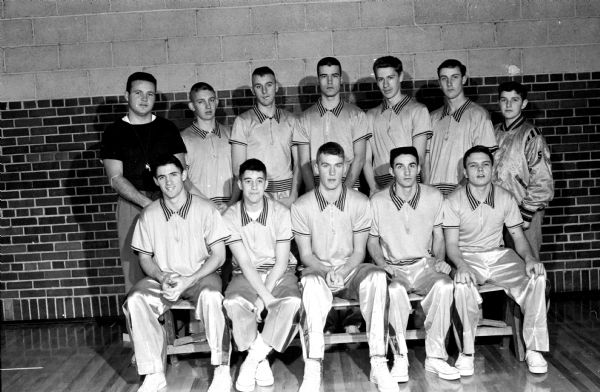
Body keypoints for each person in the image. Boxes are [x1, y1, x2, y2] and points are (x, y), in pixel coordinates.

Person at [291, 142, 398, 392]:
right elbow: (305, 254)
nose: (331, 172)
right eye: (326, 166)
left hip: (351, 270)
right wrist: (327, 272)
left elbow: (360, 252)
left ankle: (379, 362)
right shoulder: (301, 206)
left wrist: (340, 272)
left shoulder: (360, 202)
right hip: (317, 269)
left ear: (345, 168)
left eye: (337, 166)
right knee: (309, 283)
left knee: (377, 277)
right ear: (316, 167)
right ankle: (313, 365)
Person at [123, 154, 232, 392]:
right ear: (156, 181)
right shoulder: (149, 214)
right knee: (136, 299)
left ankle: (222, 369)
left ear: (183, 175)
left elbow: (219, 256)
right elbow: (144, 258)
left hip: (200, 276)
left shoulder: (206, 209)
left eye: (173, 175)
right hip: (165, 280)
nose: (169, 182)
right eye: (162, 177)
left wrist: (189, 280)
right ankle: (153, 372)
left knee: (213, 298)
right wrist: (162, 277)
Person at [444, 146, 549, 376]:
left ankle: (534, 349)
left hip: (499, 255)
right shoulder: (453, 200)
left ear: (493, 168)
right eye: (473, 165)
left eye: (485, 165)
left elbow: (518, 238)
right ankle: (466, 353)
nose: (480, 170)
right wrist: (460, 266)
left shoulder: (505, 197)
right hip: (467, 256)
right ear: (465, 171)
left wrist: (530, 259)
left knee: (537, 278)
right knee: (461, 285)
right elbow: (451, 246)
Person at [368, 146, 460, 382]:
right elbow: (372, 241)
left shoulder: (433, 196)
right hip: (394, 266)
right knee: (394, 290)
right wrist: (381, 263)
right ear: (391, 170)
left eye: (412, 166)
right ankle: (399, 357)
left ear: (419, 168)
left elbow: (439, 236)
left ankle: (436, 357)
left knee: (445, 285)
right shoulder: (377, 201)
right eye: (400, 166)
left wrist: (439, 261)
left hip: (424, 264)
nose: (407, 172)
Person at [101, 71, 186, 291]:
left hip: (167, 200)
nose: (144, 98)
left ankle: (174, 322)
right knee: (134, 265)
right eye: (138, 93)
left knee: (175, 260)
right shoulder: (114, 131)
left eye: (150, 94)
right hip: (132, 204)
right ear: (126, 95)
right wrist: (147, 204)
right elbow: (115, 178)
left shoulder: (167, 128)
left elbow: (180, 169)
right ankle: (138, 323)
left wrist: (166, 203)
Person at [222, 158, 301, 392]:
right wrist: (263, 295)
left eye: (259, 181)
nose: (254, 187)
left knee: (292, 303)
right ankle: (263, 360)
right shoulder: (230, 216)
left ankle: (253, 359)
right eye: (248, 181)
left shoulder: (281, 213)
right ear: (240, 184)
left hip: (279, 273)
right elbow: (245, 262)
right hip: (245, 275)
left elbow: (282, 261)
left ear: (266, 184)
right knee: (233, 302)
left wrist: (263, 297)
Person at [492, 81, 554, 258]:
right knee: (506, 265)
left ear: (524, 104)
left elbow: (543, 181)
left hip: (524, 210)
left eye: (514, 100)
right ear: (499, 102)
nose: (509, 105)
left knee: (528, 262)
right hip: (500, 211)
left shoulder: (531, 135)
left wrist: (526, 213)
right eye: (504, 100)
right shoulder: (494, 133)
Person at [295, 57, 370, 191]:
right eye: (324, 76)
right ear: (318, 80)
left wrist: (345, 190)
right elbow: (304, 162)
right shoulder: (304, 118)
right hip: (316, 187)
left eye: (334, 76)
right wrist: (314, 192)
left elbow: (360, 158)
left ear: (341, 79)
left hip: (350, 187)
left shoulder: (357, 114)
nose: (329, 81)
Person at [230, 67, 300, 207]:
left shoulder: (291, 120)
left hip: (286, 194)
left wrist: (294, 194)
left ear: (276, 87)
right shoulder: (243, 121)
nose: (264, 91)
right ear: (252, 90)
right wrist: (260, 194)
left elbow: (299, 162)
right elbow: (238, 167)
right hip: (256, 193)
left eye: (269, 85)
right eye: (258, 86)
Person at [426, 59, 497, 196]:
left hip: (464, 194)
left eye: (455, 77)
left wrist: (460, 191)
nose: (449, 83)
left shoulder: (479, 115)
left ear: (464, 79)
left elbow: (484, 161)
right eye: (444, 78)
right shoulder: (432, 117)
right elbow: (426, 159)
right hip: (435, 196)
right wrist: (429, 191)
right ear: (439, 82)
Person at [364, 56, 431, 193]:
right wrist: (374, 189)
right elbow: (366, 160)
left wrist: (393, 186)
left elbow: (419, 157)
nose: (386, 84)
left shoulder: (418, 111)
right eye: (381, 79)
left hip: (409, 185)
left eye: (390, 78)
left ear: (400, 77)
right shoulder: (370, 115)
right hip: (380, 188)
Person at [181, 82, 236, 214]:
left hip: (229, 207)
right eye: (201, 102)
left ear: (216, 102)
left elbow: (239, 172)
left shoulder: (231, 134)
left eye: (211, 100)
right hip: (198, 208)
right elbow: (182, 179)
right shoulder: (183, 138)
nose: (208, 106)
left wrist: (231, 203)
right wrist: (207, 203)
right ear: (192, 106)